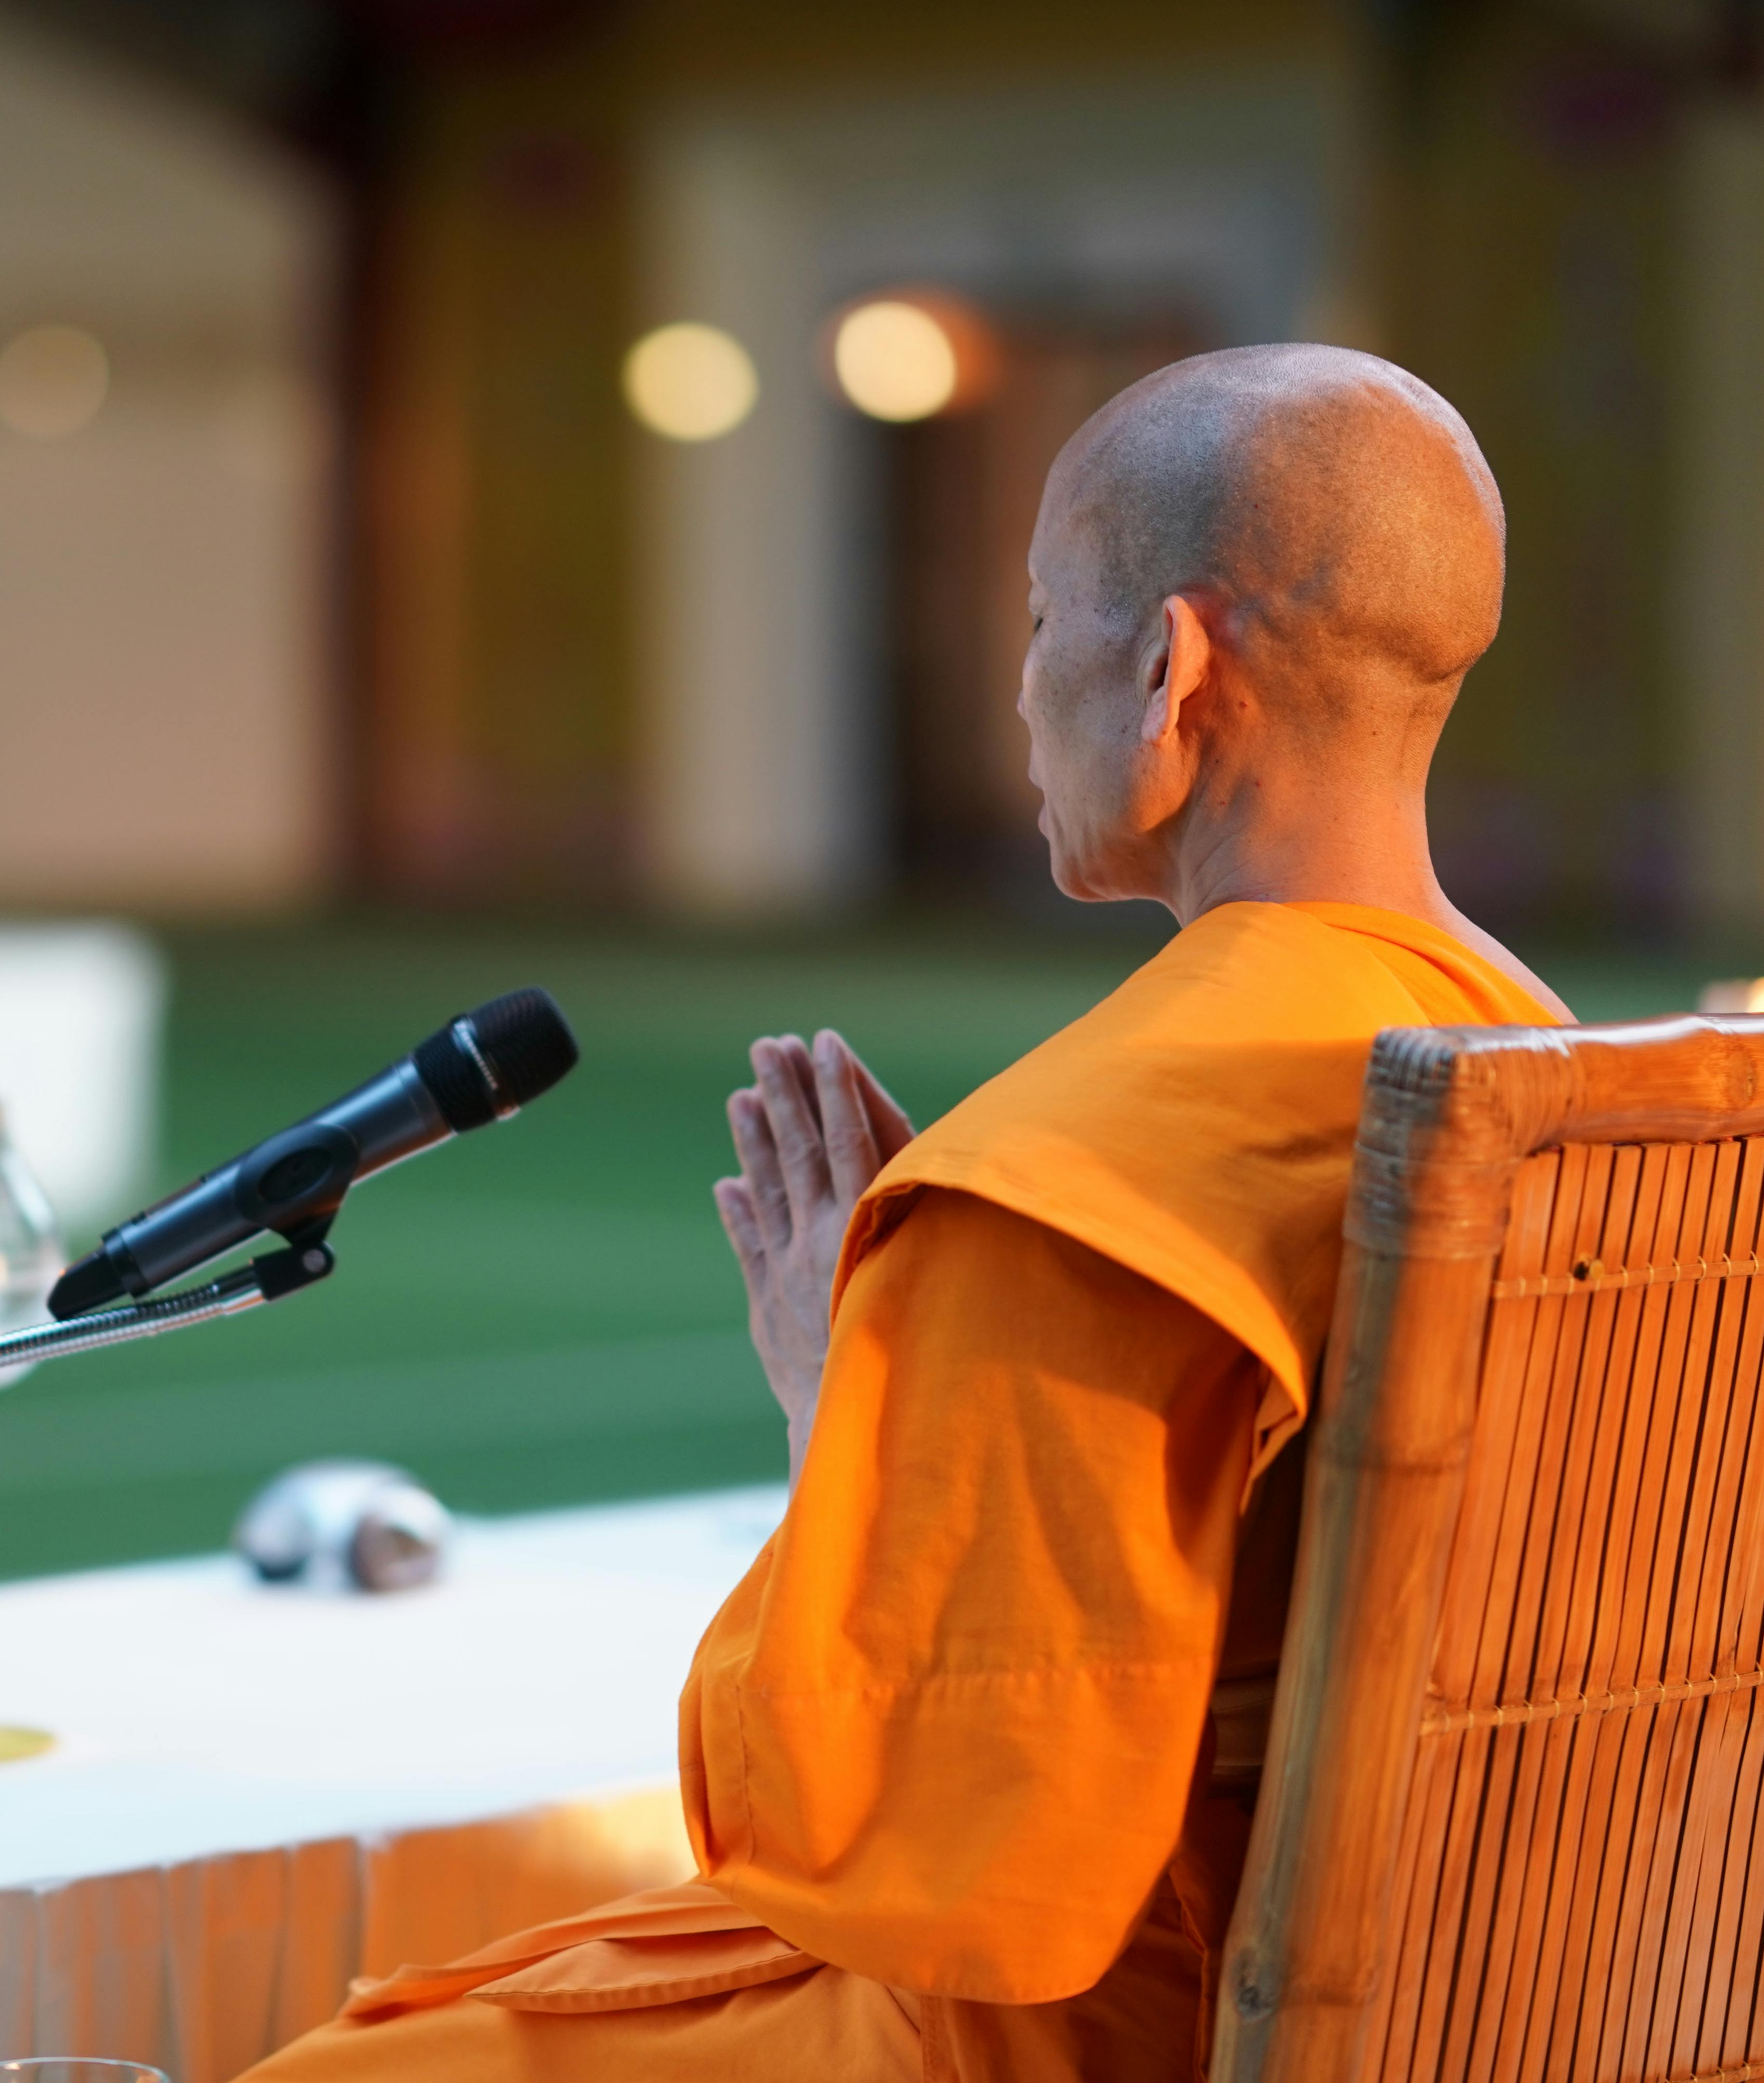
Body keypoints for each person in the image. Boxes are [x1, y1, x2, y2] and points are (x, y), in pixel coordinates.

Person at [241, 343, 1569, 2082]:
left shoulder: (1075, 1179)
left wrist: (834, 1395)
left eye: (1037, 627)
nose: (1020, 694)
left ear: (1169, 671)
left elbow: (901, 1860)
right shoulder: (1556, 1065)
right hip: (1516, 1990)